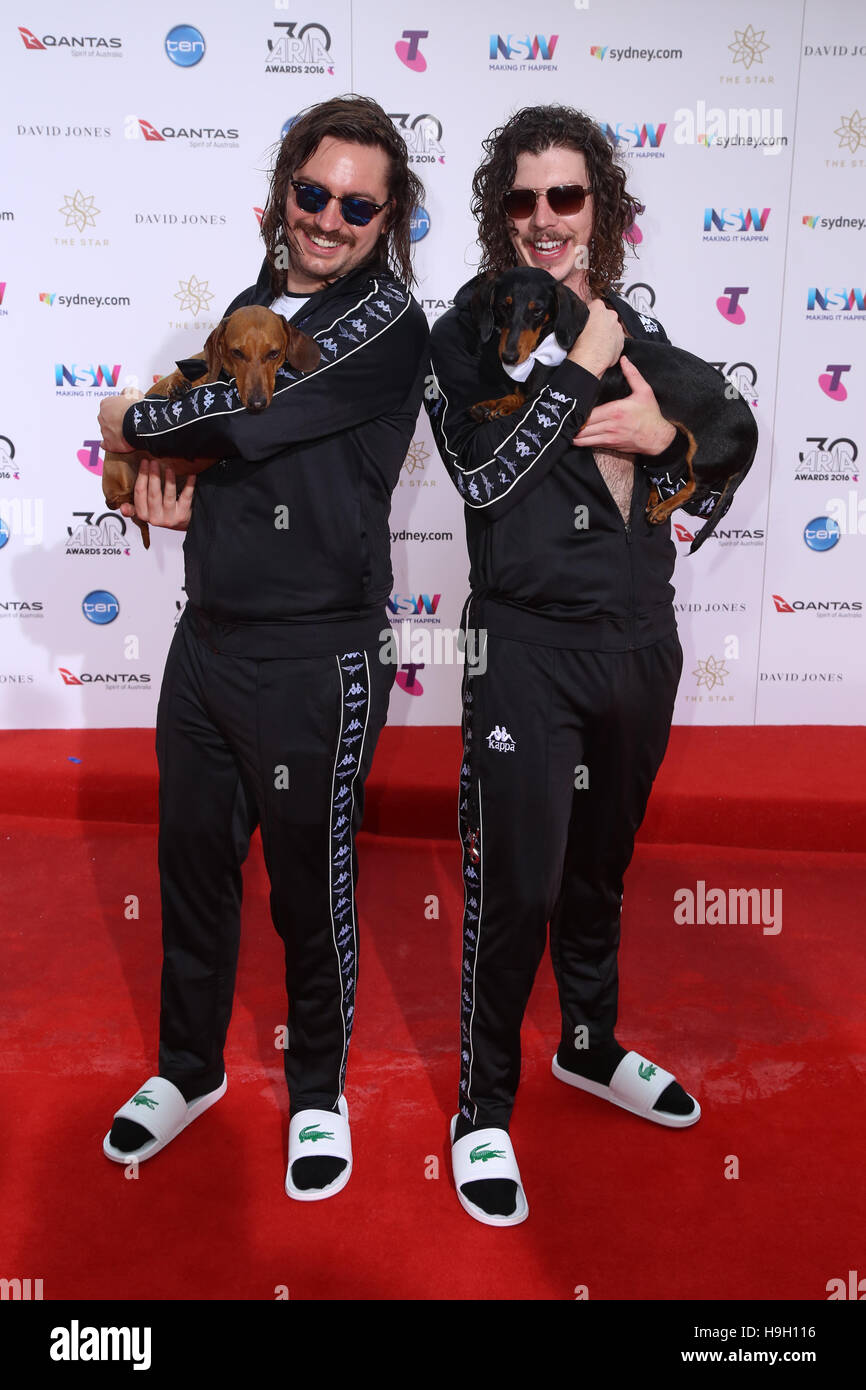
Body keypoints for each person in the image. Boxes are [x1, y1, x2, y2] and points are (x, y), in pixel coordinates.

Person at [97, 95, 429, 1201]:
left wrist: (130, 423)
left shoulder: (383, 324)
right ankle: (186, 1069)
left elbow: (238, 420)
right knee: (191, 867)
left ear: (386, 222)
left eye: (356, 204)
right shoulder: (249, 303)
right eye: (312, 191)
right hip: (208, 644)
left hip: (316, 658)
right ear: (284, 187)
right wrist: (176, 478)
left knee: (308, 887)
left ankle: (319, 1092)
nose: (328, 217)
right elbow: (220, 454)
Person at [426, 105, 739, 1227]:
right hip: (522, 651)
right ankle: (481, 1109)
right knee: (513, 885)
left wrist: (671, 445)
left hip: (638, 648)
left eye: (566, 196)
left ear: (598, 210)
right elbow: (475, 477)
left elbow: (728, 429)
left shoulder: (642, 340)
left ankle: (588, 1041)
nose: (545, 218)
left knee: (599, 871)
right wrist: (576, 372)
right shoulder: (463, 333)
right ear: (497, 213)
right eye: (522, 198)